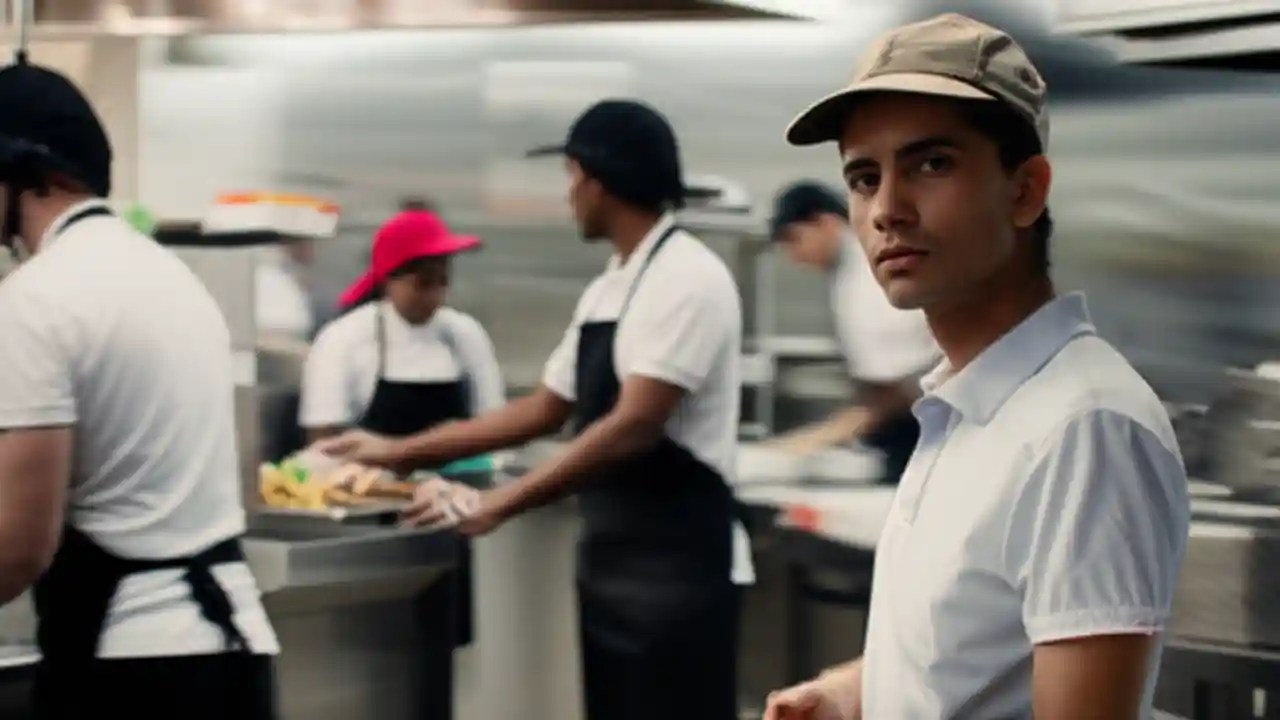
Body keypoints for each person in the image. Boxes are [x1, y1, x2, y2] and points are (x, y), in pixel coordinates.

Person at [764, 13, 1189, 720]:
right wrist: (849, 693)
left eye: (932, 164)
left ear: (1025, 190)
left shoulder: (1082, 430)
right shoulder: (964, 411)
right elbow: (972, 645)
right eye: (865, 178)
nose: (888, 210)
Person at [315, 98, 752, 720]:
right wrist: (396, 451)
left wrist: (499, 504)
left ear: (595, 181)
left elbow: (633, 426)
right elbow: (545, 409)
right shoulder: (612, 284)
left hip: (681, 572)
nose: (568, 195)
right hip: (611, 566)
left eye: (570, 179)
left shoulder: (687, 278)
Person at [0, 61, 278, 717]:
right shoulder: (171, 276)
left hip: (131, 673)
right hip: (234, 651)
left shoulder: (33, 302)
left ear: (30, 175)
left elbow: (17, 547)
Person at [767, 180, 938, 482]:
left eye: (795, 240)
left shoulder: (870, 280)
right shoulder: (848, 270)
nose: (795, 256)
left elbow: (892, 394)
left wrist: (821, 436)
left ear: (826, 223)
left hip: (929, 427)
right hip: (909, 418)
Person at [299, 209, 504, 445]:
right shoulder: (343, 339)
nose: (436, 295)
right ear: (388, 281)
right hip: (368, 478)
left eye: (443, 281)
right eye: (423, 284)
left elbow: (492, 422)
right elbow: (323, 441)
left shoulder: (465, 334)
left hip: (456, 479)